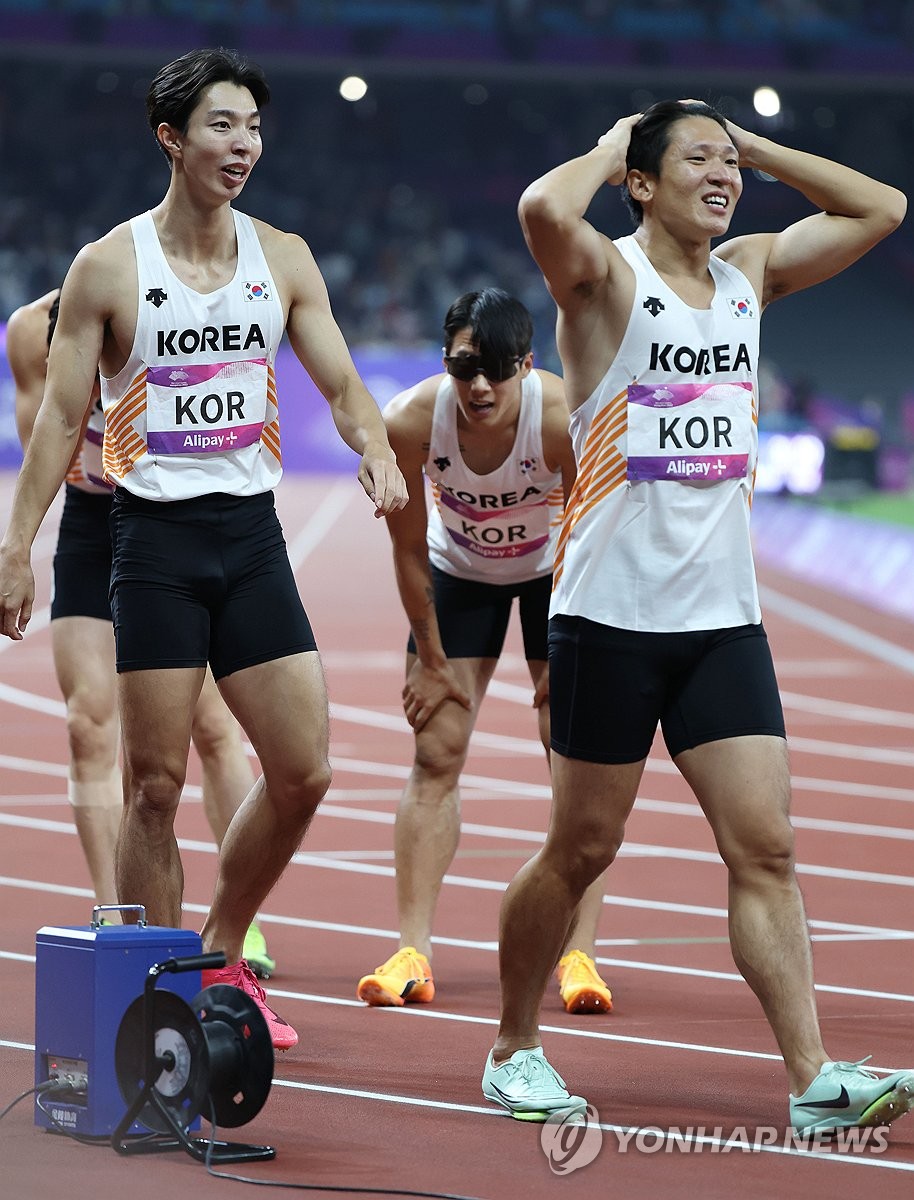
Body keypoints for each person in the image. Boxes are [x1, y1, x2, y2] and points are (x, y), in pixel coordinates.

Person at [480, 99, 914, 1134]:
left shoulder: (748, 273)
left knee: (763, 848)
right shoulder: (601, 279)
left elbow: (881, 208)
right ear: (639, 181)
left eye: (730, 164)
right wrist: (607, 142)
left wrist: (752, 146)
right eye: (697, 161)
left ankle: (810, 1079)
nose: (721, 176)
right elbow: (543, 204)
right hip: (608, 617)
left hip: (721, 618)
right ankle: (512, 1044)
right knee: (578, 849)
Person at [0, 47, 407, 1051]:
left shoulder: (286, 258)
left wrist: (375, 448)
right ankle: (155, 995)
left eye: (255, 129)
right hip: (151, 540)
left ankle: (218, 949)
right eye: (223, 127)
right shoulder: (107, 267)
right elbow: (57, 423)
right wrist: (16, 549)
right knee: (154, 785)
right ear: (171, 138)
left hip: (250, 536)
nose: (244, 147)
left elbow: (344, 383)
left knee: (303, 768)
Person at [356, 289, 613, 1016]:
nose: (478, 388)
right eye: (464, 368)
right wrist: (432, 659)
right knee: (435, 749)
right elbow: (407, 550)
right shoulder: (411, 420)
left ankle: (579, 954)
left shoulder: (561, 420)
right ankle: (413, 948)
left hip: (554, 576)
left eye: (497, 371)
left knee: (577, 759)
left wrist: (567, 647)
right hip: (457, 576)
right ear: (445, 361)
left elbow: (594, 533)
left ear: (527, 366)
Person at [7, 288, 275, 977]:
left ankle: (238, 920)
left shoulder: (168, 321)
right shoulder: (29, 332)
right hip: (94, 525)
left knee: (212, 728)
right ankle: (117, 919)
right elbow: (45, 439)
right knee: (86, 724)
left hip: (165, 519)